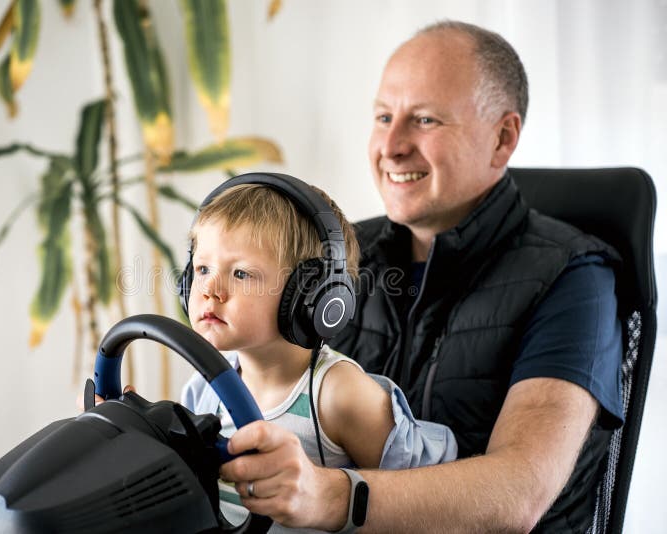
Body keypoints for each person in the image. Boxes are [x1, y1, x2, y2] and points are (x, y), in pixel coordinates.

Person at [217, 21, 623, 533]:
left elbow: (517, 494)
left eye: (425, 120)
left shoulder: (573, 277)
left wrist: (330, 497)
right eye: (384, 116)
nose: (391, 145)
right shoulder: (337, 258)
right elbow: (259, 386)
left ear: (503, 138)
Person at [179, 181, 456, 531]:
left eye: (241, 273)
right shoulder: (204, 386)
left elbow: (420, 501)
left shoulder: (339, 393)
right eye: (202, 269)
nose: (209, 290)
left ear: (310, 295)